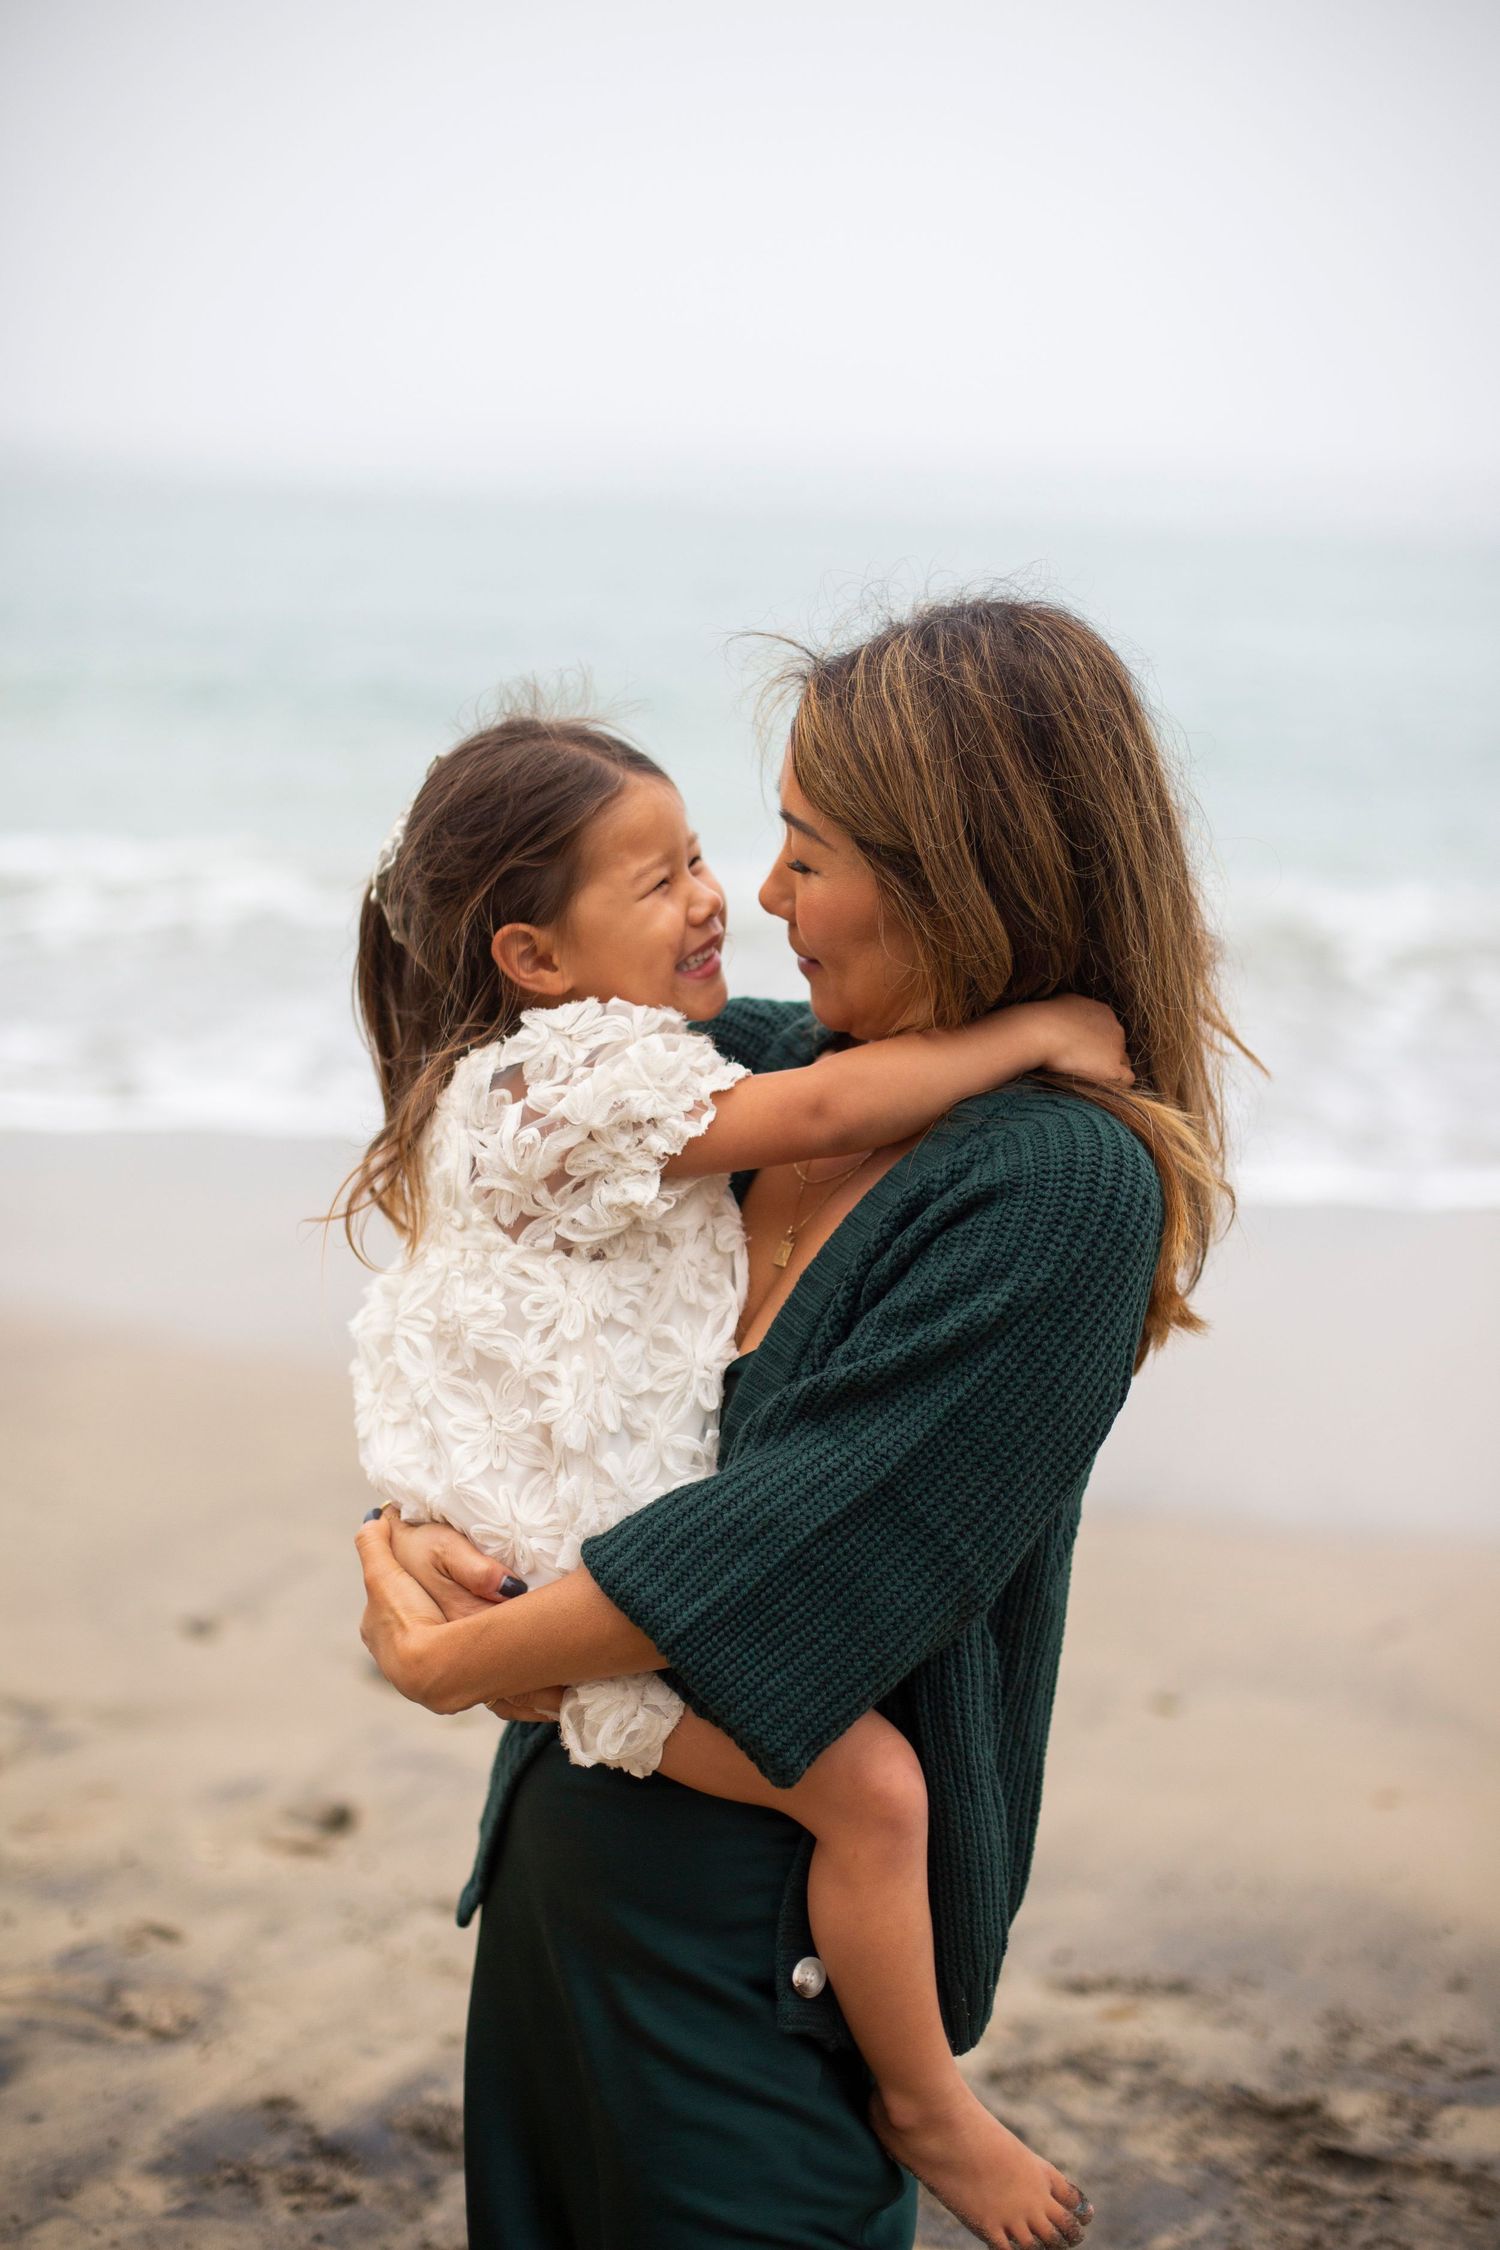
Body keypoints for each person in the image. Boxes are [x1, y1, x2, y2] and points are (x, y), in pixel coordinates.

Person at [356, 598, 1252, 2250]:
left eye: (804, 847)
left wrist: (448, 1655)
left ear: (956, 871)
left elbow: (797, 1544)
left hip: (763, 1958)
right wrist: (407, 1541)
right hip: (561, 1868)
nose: (758, 898)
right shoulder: (756, 1067)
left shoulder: (1056, 1186)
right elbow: (520, 1312)